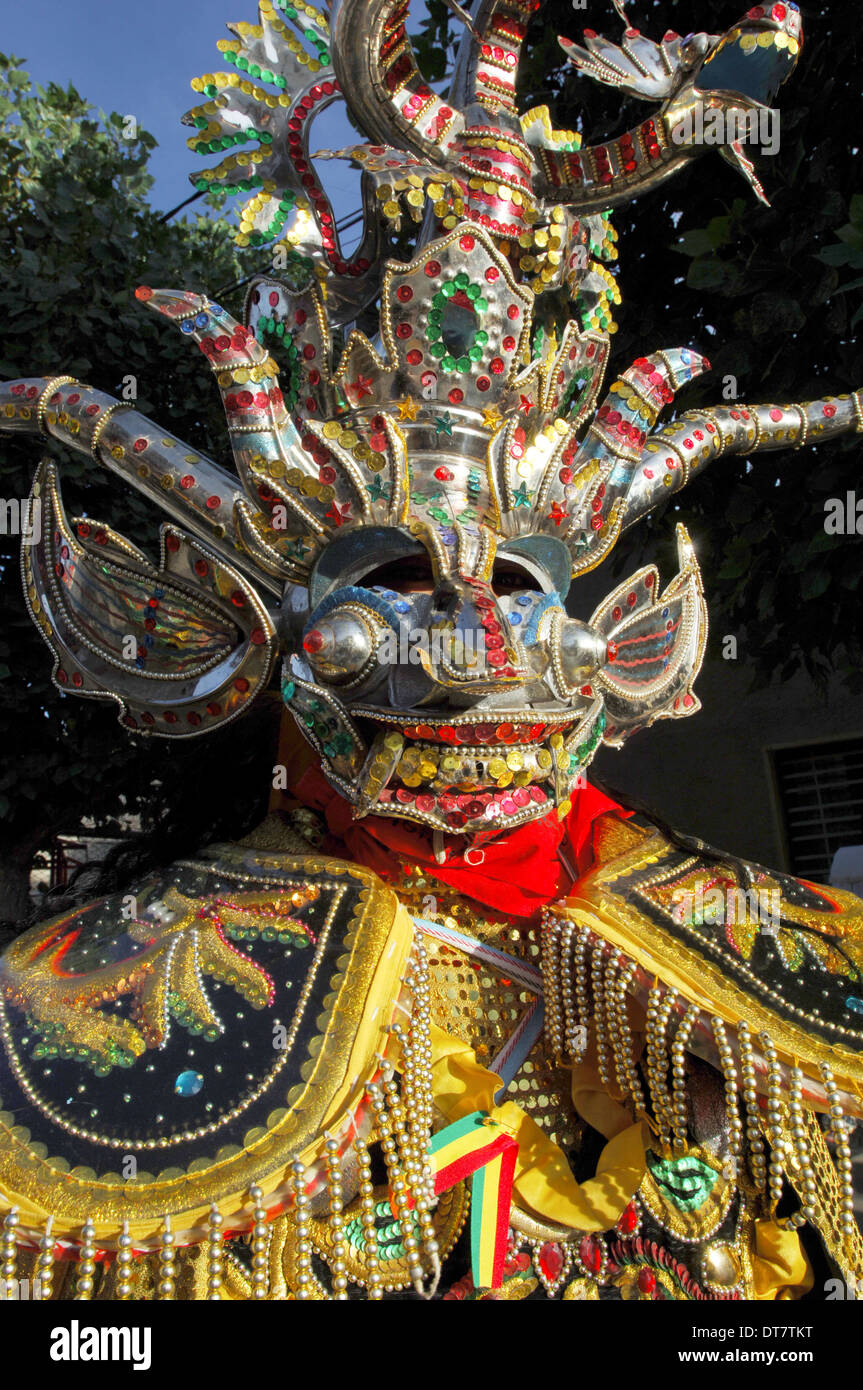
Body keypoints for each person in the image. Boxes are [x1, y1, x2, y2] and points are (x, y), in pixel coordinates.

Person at [1, 0, 862, 1302]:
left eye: (516, 586)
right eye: (394, 587)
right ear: (229, 645)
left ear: (616, 645)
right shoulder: (120, 987)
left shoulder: (713, 940)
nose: (471, 642)